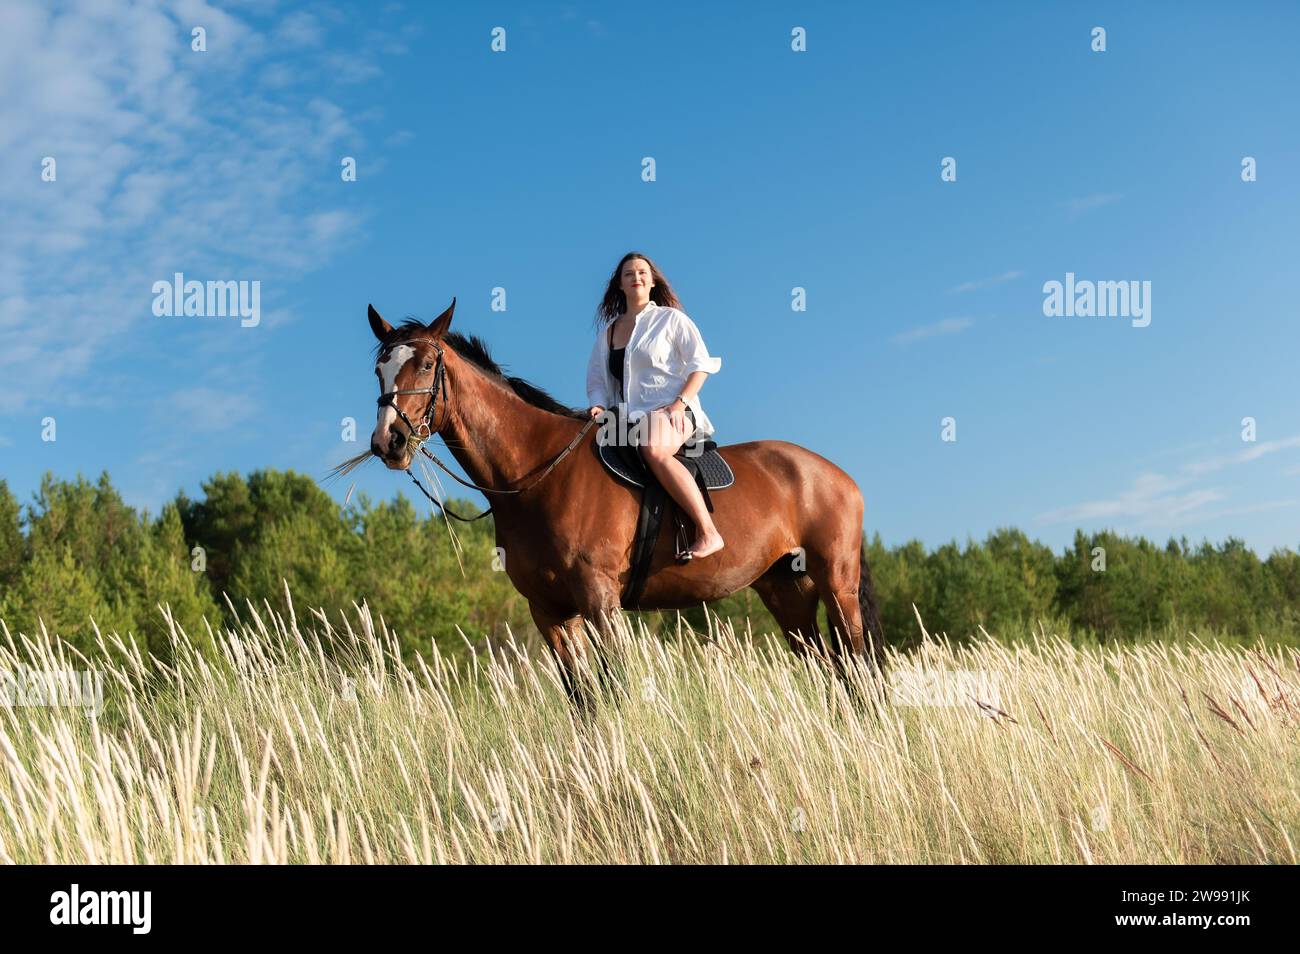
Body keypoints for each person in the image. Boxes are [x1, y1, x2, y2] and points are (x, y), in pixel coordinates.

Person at [586, 251, 725, 560]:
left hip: (672, 410)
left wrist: (679, 404)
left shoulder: (671, 320)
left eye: (642, 273)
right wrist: (597, 405)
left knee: (653, 448)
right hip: (624, 419)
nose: (636, 277)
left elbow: (700, 365)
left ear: (651, 282)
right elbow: (596, 380)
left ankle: (708, 531)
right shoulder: (608, 333)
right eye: (628, 274)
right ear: (619, 285)